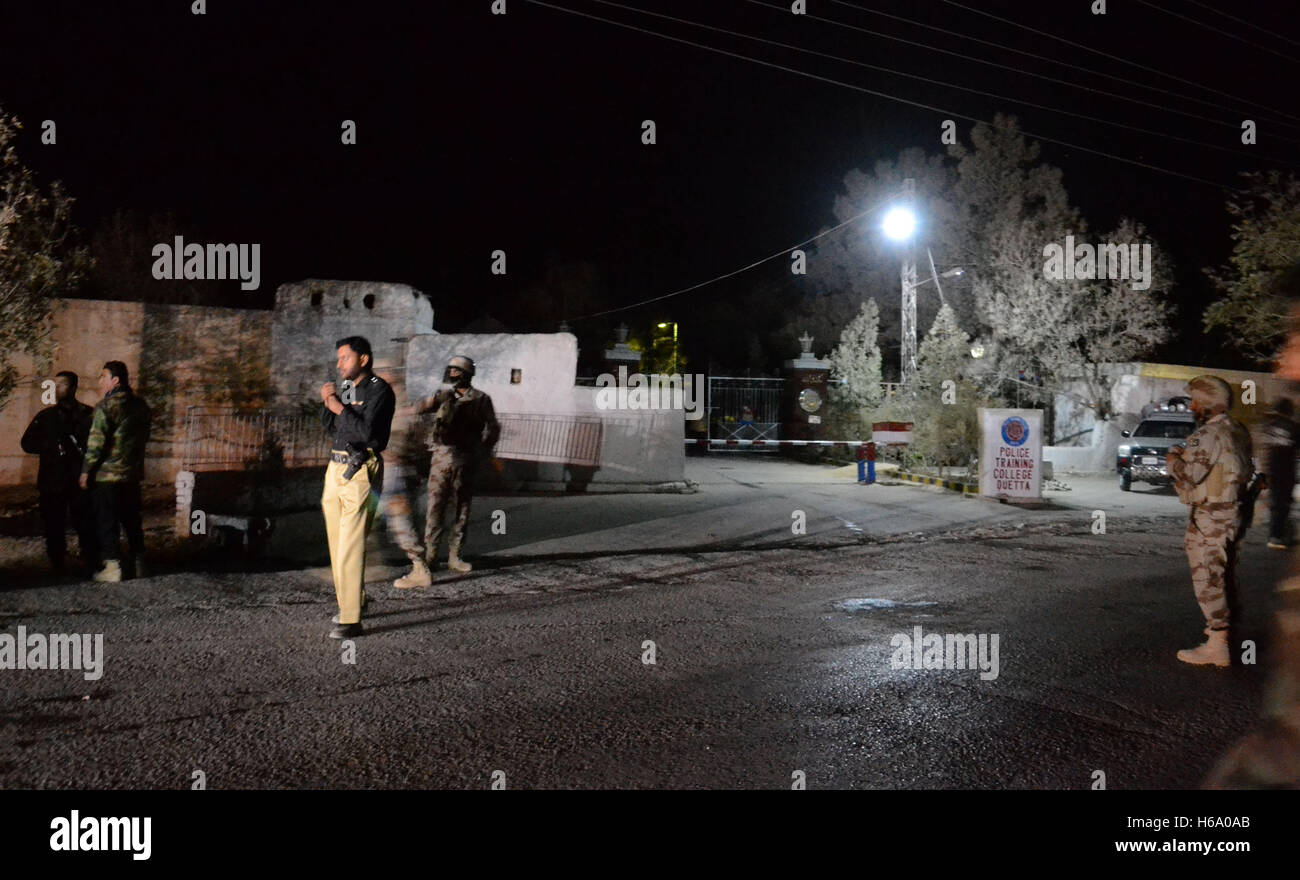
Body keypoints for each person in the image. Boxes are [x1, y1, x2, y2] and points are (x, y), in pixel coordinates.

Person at [1166, 375, 1254, 667]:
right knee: (1225, 575)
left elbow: (1190, 474)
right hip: (1232, 514)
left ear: (1206, 404)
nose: (1191, 406)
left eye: (1195, 401)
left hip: (1211, 517)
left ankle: (1217, 645)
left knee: (1208, 578)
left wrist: (1172, 459)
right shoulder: (1238, 430)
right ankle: (1225, 635)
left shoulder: (1208, 435)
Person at [394, 354, 499, 584]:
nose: (452, 374)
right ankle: (431, 556)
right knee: (435, 508)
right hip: (441, 458)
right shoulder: (443, 396)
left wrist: (481, 451)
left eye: (457, 371)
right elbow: (419, 408)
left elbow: (492, 428)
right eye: (450, 370)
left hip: (465, 459)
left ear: (467, 374)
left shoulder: (481, 400)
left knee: (461, 509)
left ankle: (455, 556)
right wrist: (398, 413)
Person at [319, 336, 395, 638]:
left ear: (363, 360)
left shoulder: (379, 390)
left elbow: (365, 431)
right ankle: (355, 599)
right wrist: (328, 402)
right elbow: (331, 427)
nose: (339, 364)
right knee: (337, 544)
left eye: (345, 358)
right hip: (335, 468)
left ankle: (351, 618)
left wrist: (338, 408)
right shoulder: (347, 390)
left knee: (351, 543)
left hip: (362, 468)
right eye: (338, 359)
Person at [80, 361, 152, 583]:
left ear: (115, 380)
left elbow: (96, 444)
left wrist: (85, 471)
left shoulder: (105, 407)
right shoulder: (142, 406)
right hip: (131, 474)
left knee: (107, 520)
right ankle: (140, 563)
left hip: (108, 476)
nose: (100, 381)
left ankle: (113, 567)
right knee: (132, 519)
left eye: (103, 377)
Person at [20, 371, 96, 574]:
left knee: (85, 521)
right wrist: (51, 447)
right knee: (54, 523)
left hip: (78, 477)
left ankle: (89, 559)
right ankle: (57, 562)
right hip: (52, 479)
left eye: (62, 384)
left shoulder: (88, 414)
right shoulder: (47, 417)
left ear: (73, 388)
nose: (58, 388)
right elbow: (27, 443)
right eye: (56, 384)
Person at [1255, 396, 1297, 549]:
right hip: (1285, 472)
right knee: (1283, 504)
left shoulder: (1266, 425)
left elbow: (1260, 446)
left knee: (1276, 503)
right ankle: (1276, 536)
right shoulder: (1292, 427)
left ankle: (1279, 533)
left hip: (1267, 470)